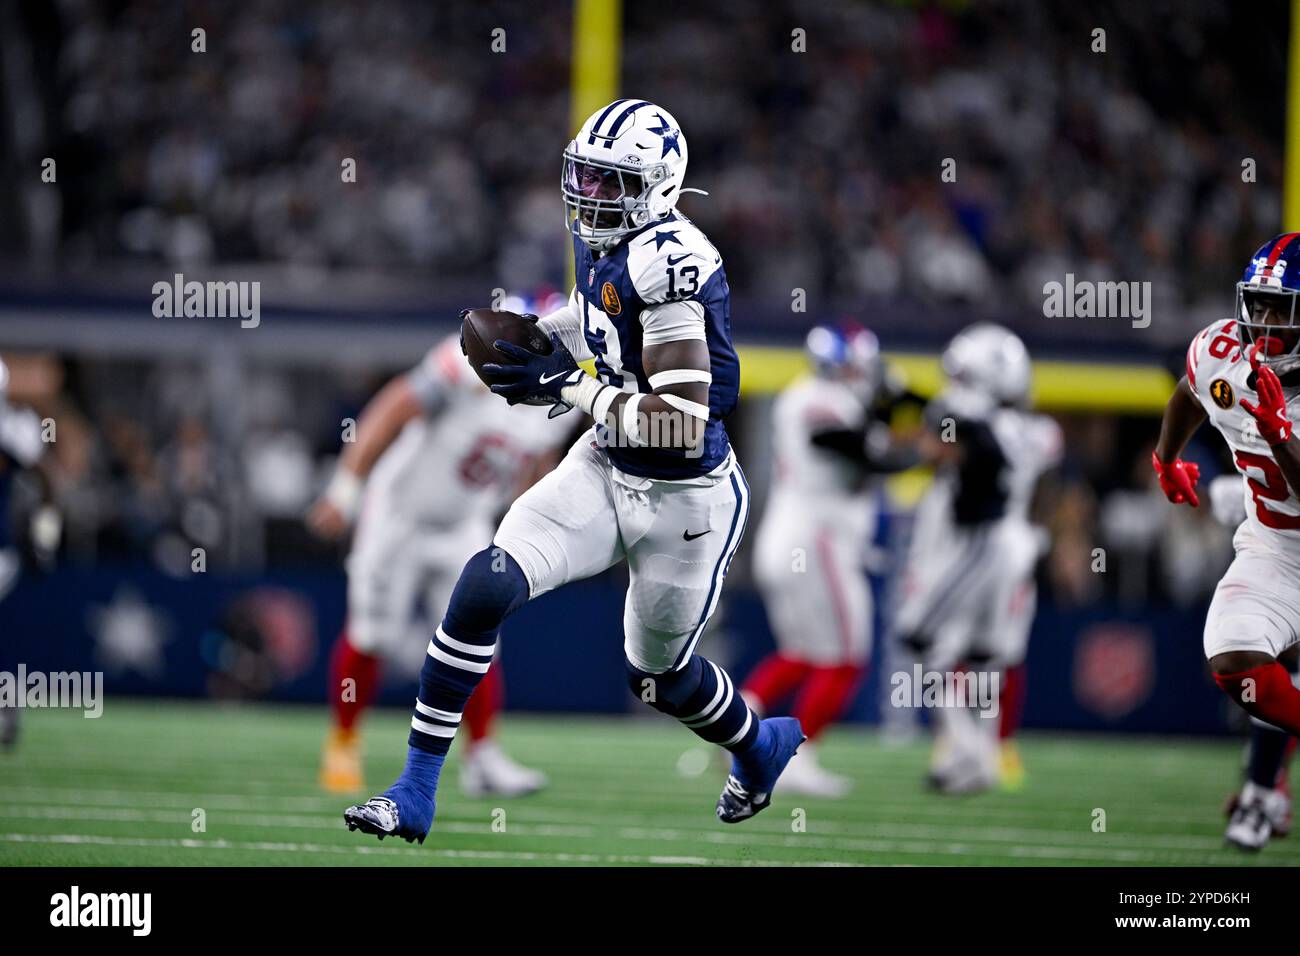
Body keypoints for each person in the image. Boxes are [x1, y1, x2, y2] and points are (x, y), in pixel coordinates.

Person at [343, 100, 803, 844]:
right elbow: (594, 319)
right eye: (584, 175)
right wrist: (539, 338)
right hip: (604, 463)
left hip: (686, 500)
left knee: (659, 680)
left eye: (609, 181)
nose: (588, 194)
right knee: (486, 583)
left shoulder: (673, 264)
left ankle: (760, 746)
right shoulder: (609, 246)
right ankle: (415, 788)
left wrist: (569, 387)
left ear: (657, 185)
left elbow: (679, 419)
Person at [1153, 233, 1300, 845]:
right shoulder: (1222, 349)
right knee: (1237, 657)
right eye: (1258, 304)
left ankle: (1262, 794)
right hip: (1275, 544)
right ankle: (1264, 793)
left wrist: (1275, 429)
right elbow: (1192, 391)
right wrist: (1167, 457)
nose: (1263, 323)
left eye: (1280, 309)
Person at [744, 322, 913, 797]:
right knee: (846, 655)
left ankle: (734, 728)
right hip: (819, 541)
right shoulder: (821, 398)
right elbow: (844, 443)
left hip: (795, 535)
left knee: (802, 654)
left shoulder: (824, 397)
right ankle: (797, 757)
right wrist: (911, 452)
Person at [895, 323, 1061, 794]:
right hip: (1016, 544)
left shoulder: (977, 420)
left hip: (974, 543)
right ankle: (975, 753)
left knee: (922, 639)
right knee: (987, 657)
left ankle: (968, 748)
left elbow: (940, 448)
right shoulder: (1038, 431)